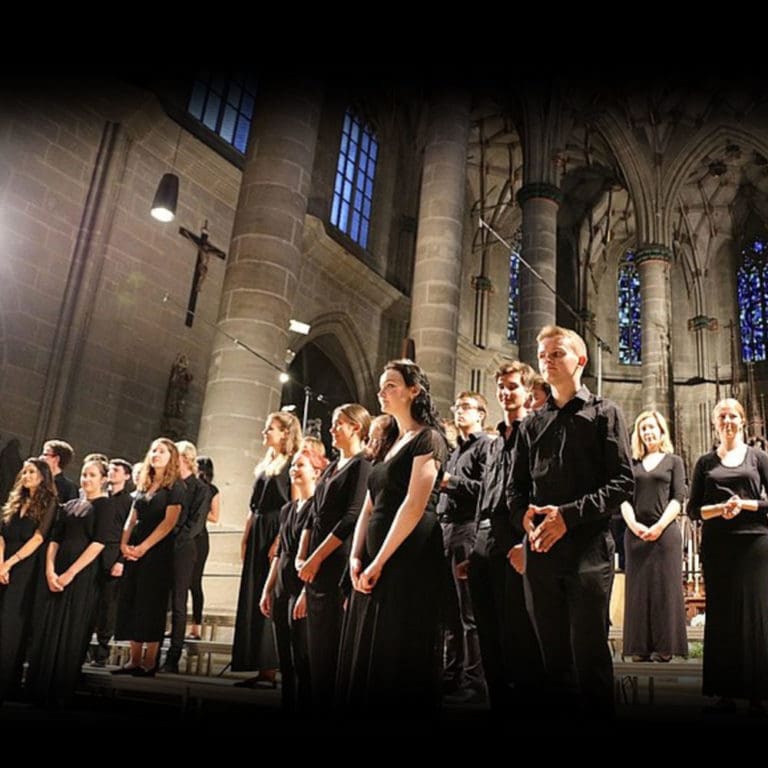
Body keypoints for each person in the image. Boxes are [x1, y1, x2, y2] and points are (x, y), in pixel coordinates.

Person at [508, 325, 634, 717]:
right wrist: (524, 518)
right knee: (552, 661)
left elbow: (623, 483)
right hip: (542, 551)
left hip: (589, 552)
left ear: (581, 360)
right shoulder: (531, 424)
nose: (546, 359)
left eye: (556, 352)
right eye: (542, 353)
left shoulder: (604, 413)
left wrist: (568, 516)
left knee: (590, 656)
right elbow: (515, 491)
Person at [336, 359, 447, 712]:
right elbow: (369, 506)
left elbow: (414, 505)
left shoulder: (430, 438)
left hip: (407, 558)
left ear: (414, 391)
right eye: (381, 386)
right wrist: (356, 557)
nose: (382, 392)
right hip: (373, 559)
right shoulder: (391, 442)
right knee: (366, 645)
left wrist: (379, 560)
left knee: (396, 647)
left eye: (392, 386)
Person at [470, 363, 543, 711]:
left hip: (515, 541)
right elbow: (486, 494)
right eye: (501, 386)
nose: (505, 393)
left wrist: (527, 543)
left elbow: (540, 492)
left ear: (528, 392)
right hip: (485, 543)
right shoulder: (495, 441)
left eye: (512, 387)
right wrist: (474, 548)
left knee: (518, 638)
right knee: (489, 637)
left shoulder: (536, 433)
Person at [688, 398, 768, 715]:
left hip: (755, 543)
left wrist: (745, 504)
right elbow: (693, 509)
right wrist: (722, 509)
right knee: (722, 616)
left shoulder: (758, 457)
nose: (728, 420)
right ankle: (726, 690)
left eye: (733, 415)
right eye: (722, 416)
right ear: (714, 422)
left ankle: (758, 691)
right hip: (718, 545)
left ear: (743, 420)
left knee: (756, 614)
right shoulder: (705, 462)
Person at [297, 403, 372, 708]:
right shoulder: (330, 468)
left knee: (333, 644)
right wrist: (304, 556)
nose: (331, 429)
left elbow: (352, 517)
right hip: (315, 564)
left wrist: (316, 557)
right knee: (316, 649)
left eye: (338, 423)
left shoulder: (362, 464)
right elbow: (313, 516)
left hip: (336, 562)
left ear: (356, 427)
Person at [26, 458, 116, 707]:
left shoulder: (105, 506)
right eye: (84, 475)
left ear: (103, 479)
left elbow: (98, 543)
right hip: (57, 571)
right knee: (49, 626)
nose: (86, 479)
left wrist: (71, 574)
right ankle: (37, 688)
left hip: (83, 576)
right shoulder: (69, 505)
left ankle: (60, 691)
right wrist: (50, 571)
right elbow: (55, 539)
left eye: (92, 475)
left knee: (72, 629)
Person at [231, 411, 302, 687]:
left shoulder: (291, 463)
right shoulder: (265, 464)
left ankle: (269, 668)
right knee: (252, 593)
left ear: (285, 433)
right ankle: (256, 665)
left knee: (269, 595)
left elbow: (294, 505)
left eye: (270, 428)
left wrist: (280, 539)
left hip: (275, 529)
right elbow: (253, 506)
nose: (264, 432)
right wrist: (246, 537)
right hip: (258, 528)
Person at [261, 444, 328, 710]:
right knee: (285, 658)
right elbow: (280, 553)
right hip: (282, 583)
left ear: (316, 471)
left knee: (302, 655)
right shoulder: (288, 509)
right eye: (293, 465)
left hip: (302, 585)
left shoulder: (317, 507)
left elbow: (311, 552)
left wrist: (305, 592)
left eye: (301, 465)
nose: (294, 470)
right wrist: (267, 588)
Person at [620, 411, 687, 662]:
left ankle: (664, 646)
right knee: (638, 590)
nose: (648, 432)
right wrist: (634, 525)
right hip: (635, 533)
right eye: (643, 428)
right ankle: (639, 647)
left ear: (661, 432)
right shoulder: (631, 464)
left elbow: (677, 499)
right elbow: (624, 499)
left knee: (664, 589)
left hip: (665, 533)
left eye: (652, 427)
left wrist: (659, 526)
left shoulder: (673, 461)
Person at [114, 438, 184, 676]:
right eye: (153, 450)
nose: (156, 454)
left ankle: (150, 661)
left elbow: (169, 522)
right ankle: (134, 660)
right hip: (135, 548)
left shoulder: (175, 486)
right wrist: (124, 544)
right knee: (132, 599)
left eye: (161, 451)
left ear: (171, 457)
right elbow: (131, 518)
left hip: (158, 550)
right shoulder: (144, 484)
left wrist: (143, 547)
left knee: (151, 602)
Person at [437, 391, 489, 702]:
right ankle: (451, 674)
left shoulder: (486, 446)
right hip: (445, 528)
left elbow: (486, 489)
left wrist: (450, 483)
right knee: (449, 612)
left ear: (481, 414)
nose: (459, 412)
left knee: (469, 613)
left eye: (466, 408)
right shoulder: (455, 452)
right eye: (457, 407)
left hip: (467, 528)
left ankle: (474, 681)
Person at [0, 458, 58, 701]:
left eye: (32, 471)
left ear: (43, 476)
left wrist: (10, 563)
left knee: (11, 622)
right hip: (3, 562)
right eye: (24, 471)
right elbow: (1, 534)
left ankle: (6, 683)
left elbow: (38, 538)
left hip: (26, 566)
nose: (26, 475)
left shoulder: (50, 502)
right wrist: (1, 562)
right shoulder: (15, 501)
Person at [161, 440, 210, 673]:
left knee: (179, 602)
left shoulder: (200, 488)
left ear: (186, 458)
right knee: (160, 600)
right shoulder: (168, 485)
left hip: (184, 547)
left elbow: (196, 523)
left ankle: (173, 656)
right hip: (162, 546)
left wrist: (175, 539)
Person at [91, 458, 134, 666]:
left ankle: (101, 652)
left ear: (127, 475)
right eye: (110, 470)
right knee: (91, 602)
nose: (112, 473)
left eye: (117, 470)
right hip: (93, 555)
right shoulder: (100, 497)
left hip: (113, 556)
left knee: (108, 606)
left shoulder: (129, 501)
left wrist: (121, 560)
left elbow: (130, 533)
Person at [187, 455, 220, 641]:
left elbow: (215, 516)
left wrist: (199, 512)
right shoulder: (188, 487)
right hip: (189, 535)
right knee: (182, 583)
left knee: (195, 582)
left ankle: (196, 627)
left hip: (200, 538)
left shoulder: (211, 490)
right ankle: (180, 625)